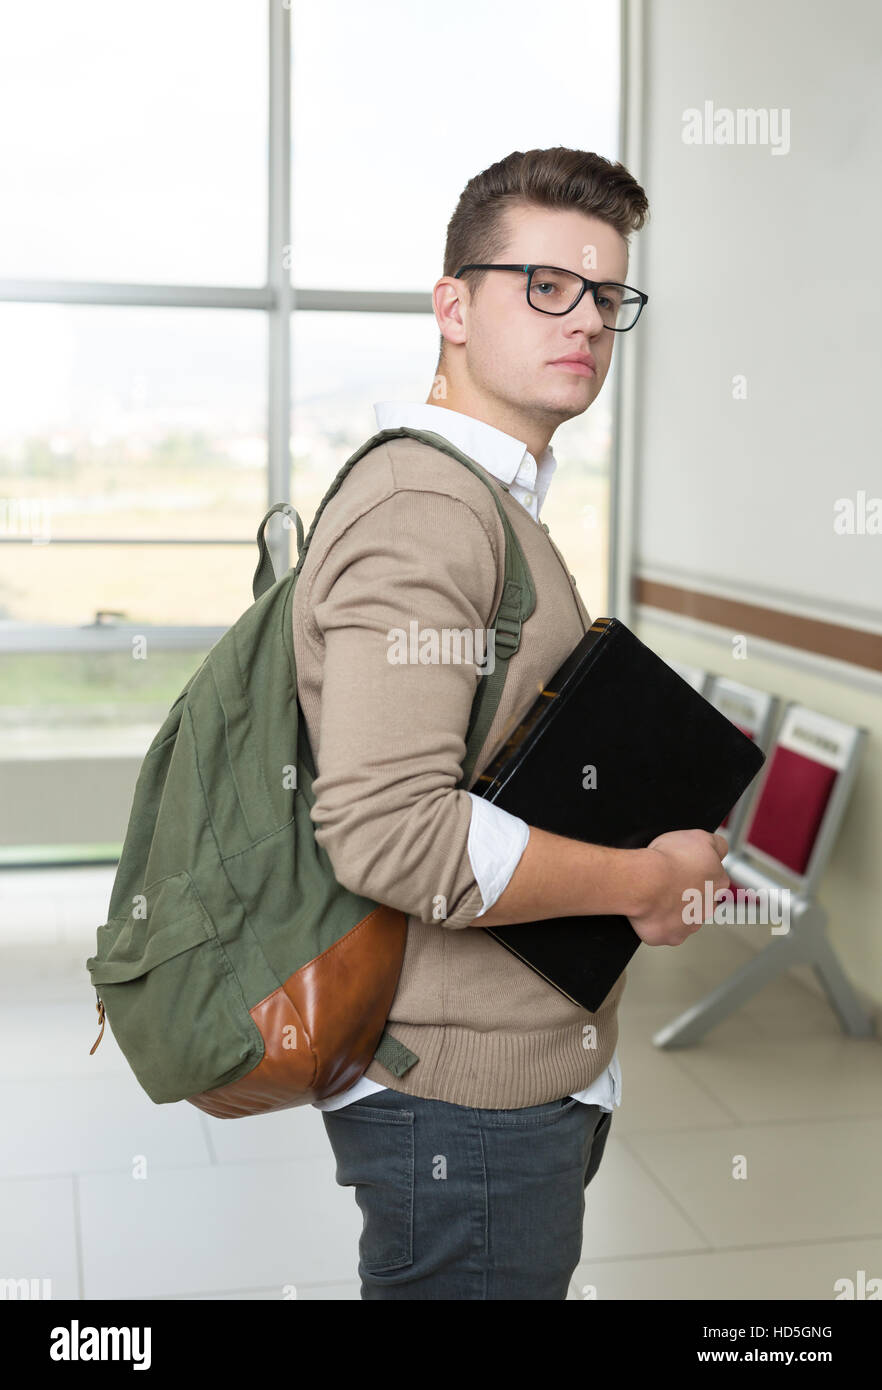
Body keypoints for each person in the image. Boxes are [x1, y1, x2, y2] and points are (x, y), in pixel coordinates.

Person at [290, 146, 730, 1300]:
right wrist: (640, 880)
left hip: (503, 1084)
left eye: (604, 294)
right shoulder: (431, 507)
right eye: (543, 284)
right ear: (452, 306)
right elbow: (391, 833)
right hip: (460, 1105)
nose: (582, 318)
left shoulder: (488, 499)